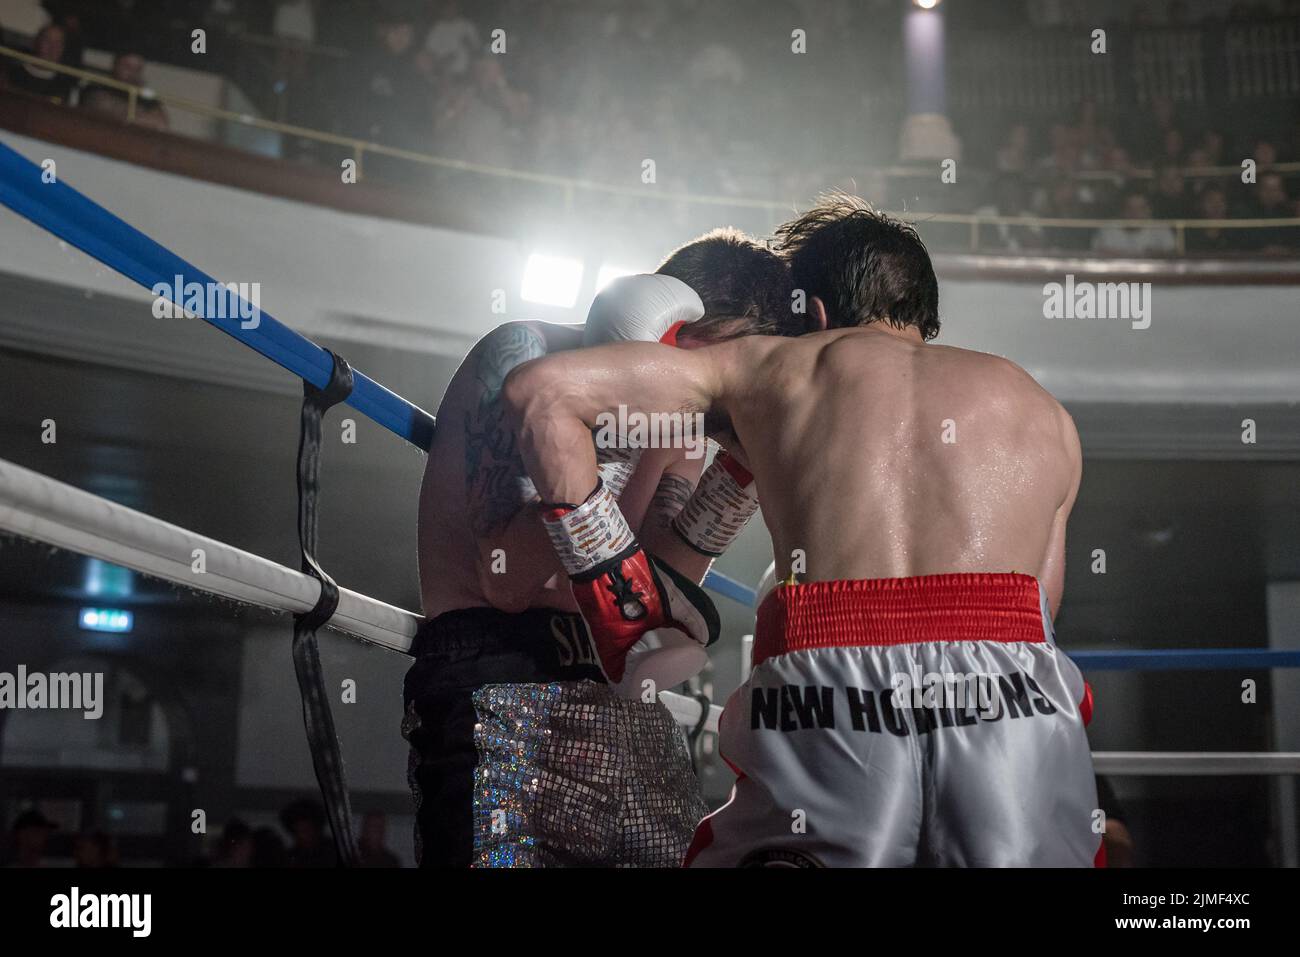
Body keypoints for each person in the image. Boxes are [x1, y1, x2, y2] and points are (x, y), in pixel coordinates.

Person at [504, 193, 1100, 867]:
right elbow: (1042, 610)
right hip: (1014, 700)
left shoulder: (768, 366)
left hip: (832, 687)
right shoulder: (1045, 412)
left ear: (810, 313)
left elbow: (541, 395)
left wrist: (621, 597)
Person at [406, 227, 801, 867]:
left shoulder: (687, 417)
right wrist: (610, 429)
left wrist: (740, 477)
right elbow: (507, 578)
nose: (731, 384)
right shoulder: (526, 356)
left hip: (622, 697)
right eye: (732, 360)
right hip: (503, 685)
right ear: (676, 334)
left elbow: (654, 587)